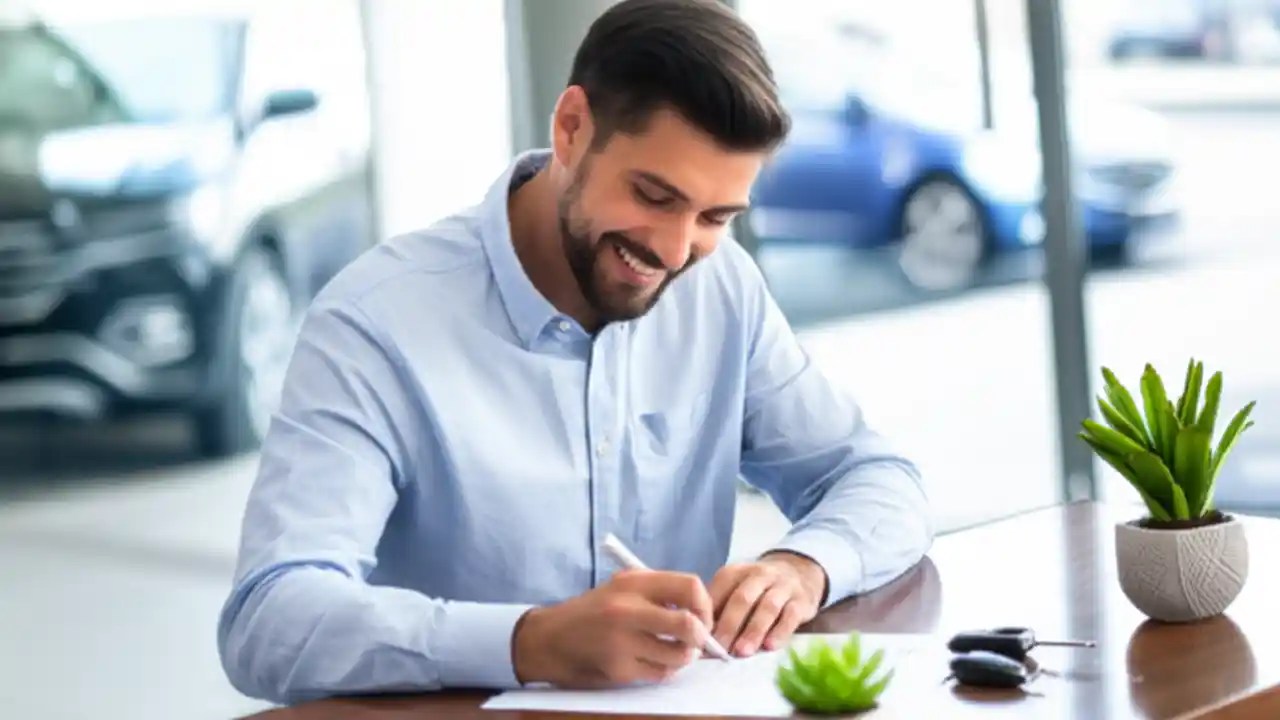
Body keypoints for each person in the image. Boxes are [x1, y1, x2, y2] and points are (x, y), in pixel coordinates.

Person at [217, 0, 932, 706]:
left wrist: (805, 566)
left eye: (715, 217)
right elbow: (270, 619)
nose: (677, 251)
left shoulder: (721, 287)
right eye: (654, 195)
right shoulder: (376, 321)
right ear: (570, 129)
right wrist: (531, 642)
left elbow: (877, 479)